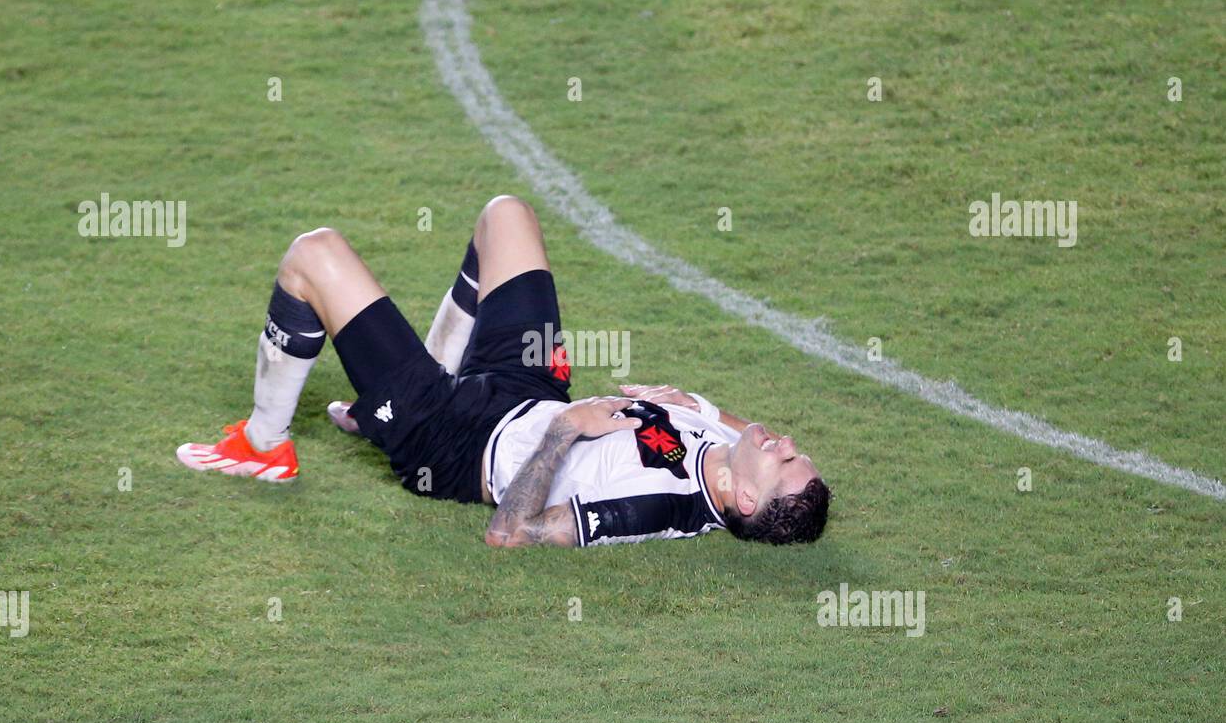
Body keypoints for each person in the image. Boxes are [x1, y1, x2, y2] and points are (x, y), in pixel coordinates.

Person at [176, 196, 830, 547]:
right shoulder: (731, 451)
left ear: (745, 502)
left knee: (312, 256)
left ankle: (264, 447)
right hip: (531, 386)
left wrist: (565, 432)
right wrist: (682, 400)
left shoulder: (653, 506)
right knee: (506, 216)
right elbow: (730, 425)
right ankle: (401, 388)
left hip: (454, 440)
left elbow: (510, 534)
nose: (786, 443)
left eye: (786, 462)